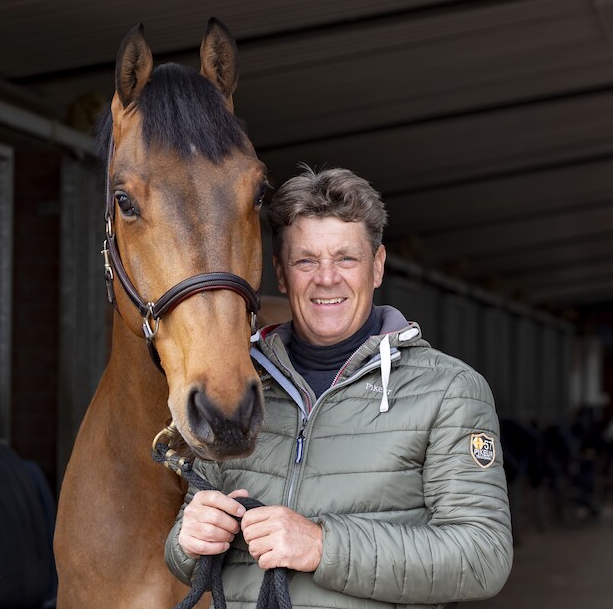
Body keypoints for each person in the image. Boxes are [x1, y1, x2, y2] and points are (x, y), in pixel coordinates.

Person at [165, 166, 513, 608]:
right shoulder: (245, 388)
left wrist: (323, 547)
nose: (326, 278)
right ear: (281, 272)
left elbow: (484, 556)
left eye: (346, 259)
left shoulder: (450, 391)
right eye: (305, 260)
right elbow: (186, 559)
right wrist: (188, 541)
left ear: (377, 266)